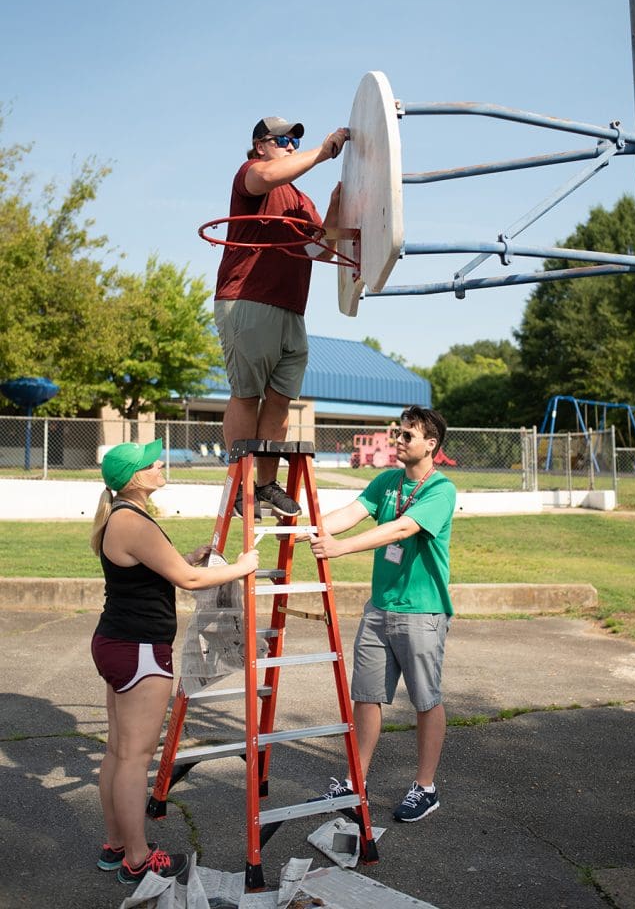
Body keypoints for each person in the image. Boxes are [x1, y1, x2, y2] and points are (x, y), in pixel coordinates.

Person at [90, 439, 259, 885]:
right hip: (139, 648)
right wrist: (244, 566)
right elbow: (188, 581)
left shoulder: (123, 516)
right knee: (134, 758)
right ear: (134, 478)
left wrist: (185, 557)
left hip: (117, 642)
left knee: (118, 751)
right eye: (151, 462)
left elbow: (155, 569)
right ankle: (138, 859)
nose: (160, 463)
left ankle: (116, 845)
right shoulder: (132, 520)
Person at [308, 405, 456, 822]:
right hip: (379, 609)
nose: (399, 440)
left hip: (422, 612)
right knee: (366, 695)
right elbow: (350, 514)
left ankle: (425, 787)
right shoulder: (386, 482)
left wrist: (340, 548)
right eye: (399, 433)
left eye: (408, 435)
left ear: (431, 444)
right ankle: (355, 781)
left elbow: (402, 528)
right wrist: (306, 526)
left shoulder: (441, 489)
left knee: (425, 700)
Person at [214, 115, 349, 520]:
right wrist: (322, 152)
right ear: (260, 146)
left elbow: (318, 250)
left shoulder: (300, 200)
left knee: (279, 400)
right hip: (248, 298)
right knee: (247, 394)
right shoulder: (252, 174)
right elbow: (269, 175)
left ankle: (265, 484)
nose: (290, 145)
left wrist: (335, 209)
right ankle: (240, 486)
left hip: (292, 308)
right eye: (282, 139)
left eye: (295, 141)